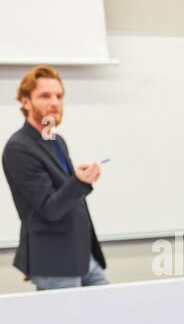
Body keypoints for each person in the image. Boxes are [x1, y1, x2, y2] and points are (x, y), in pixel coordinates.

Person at [3, 65, 107, 290]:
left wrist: (77, 179)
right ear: (25, 101)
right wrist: (80, 182)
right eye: (45, 96)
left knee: (111, 311)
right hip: (54, 262)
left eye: (59, 96)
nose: (55, 102)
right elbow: (50, 208)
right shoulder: (18, 148)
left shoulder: (55, 140)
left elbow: (64, 191)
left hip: (80, 256)